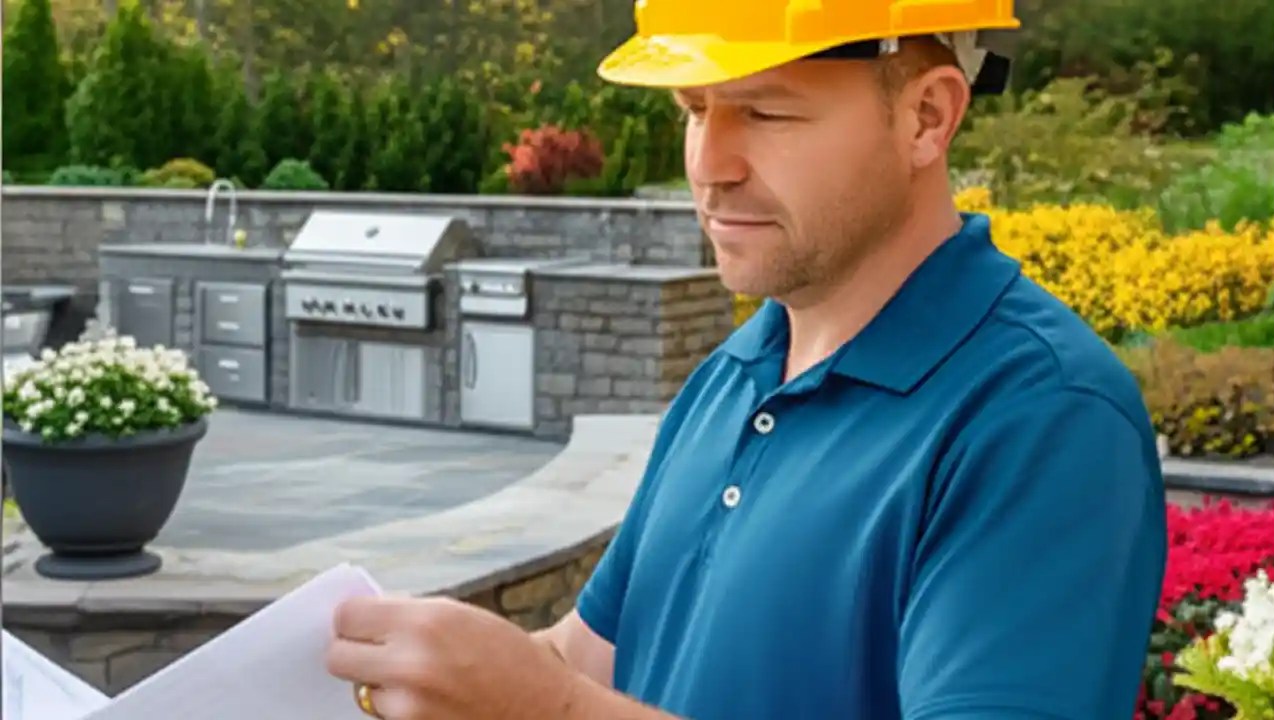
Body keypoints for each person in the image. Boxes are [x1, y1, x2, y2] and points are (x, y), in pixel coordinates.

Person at [325, 2, 1170, 718]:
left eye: (764, 112)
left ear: (927, 117)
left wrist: (553, 711)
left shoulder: (1040, 417)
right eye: (695, 109)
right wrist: (438, 674)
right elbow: (590, 658)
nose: (709, 167)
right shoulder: (735, 374)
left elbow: (567, 698)